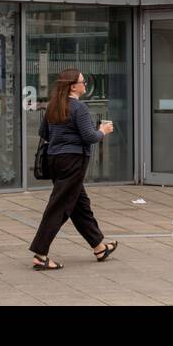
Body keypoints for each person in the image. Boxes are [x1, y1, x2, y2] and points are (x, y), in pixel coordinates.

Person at [29, 68, 117, 270]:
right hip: (73, 161)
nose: (85, 85)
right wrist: (102, 131)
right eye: (83, 82)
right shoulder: (79, 108)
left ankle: (99, 247)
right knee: (59, 206)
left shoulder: (53, 106)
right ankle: (40, 254)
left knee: (80, 205)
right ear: (72, 86)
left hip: (55, 159)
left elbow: (44, 132)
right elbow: (89, 137)